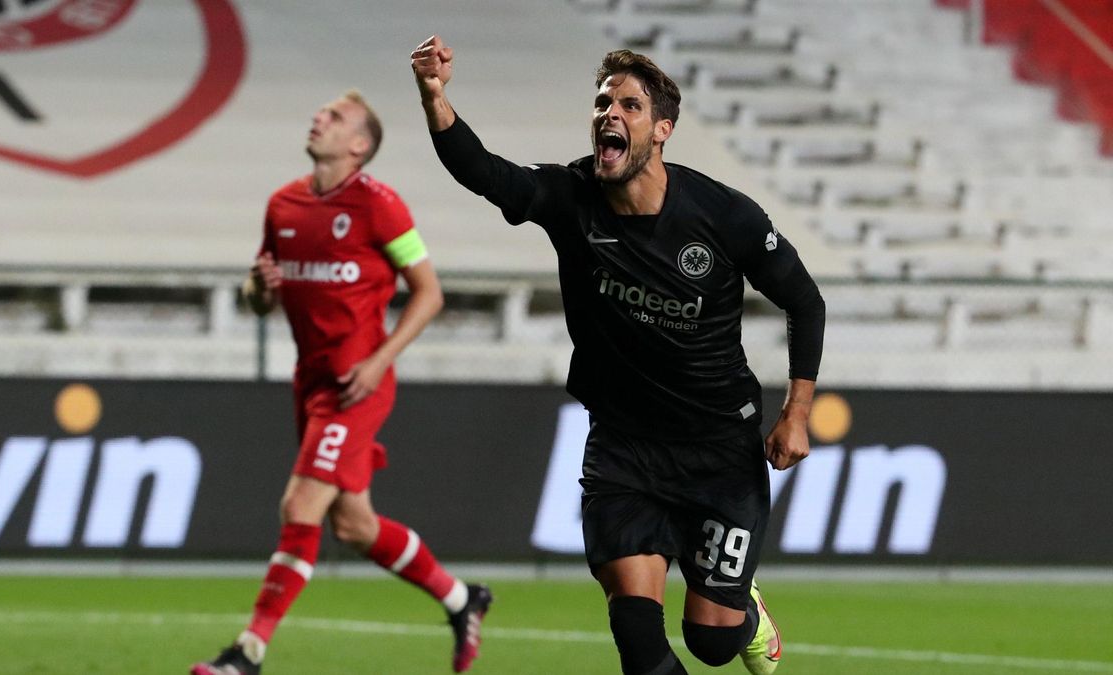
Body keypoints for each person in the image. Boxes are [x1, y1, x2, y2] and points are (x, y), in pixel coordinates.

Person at [411, 37, 825, 675]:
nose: (609, 113)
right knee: (635, 630)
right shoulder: (570, 198)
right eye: (603, 102)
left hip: (718, 447)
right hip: (624, 448)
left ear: (661, 130)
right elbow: (483, 171)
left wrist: (797, 411)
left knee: (713, 643)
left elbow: (805, 300)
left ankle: (743, 612)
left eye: (629, 105)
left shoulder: (722, 216)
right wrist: (435, 96)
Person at [191, 89, 492, 675]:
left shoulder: (381, 207)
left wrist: (380, 360)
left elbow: (430, 294)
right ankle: (462, 599)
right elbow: (259, 302)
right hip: (310, 382)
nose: (317, 117)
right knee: (353, 524)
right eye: (319, 112)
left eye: (332, 117)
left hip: (358, 386)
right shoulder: (282, 205)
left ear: (359, 146)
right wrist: (257, 286)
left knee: (299, 504)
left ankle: (247, 653)